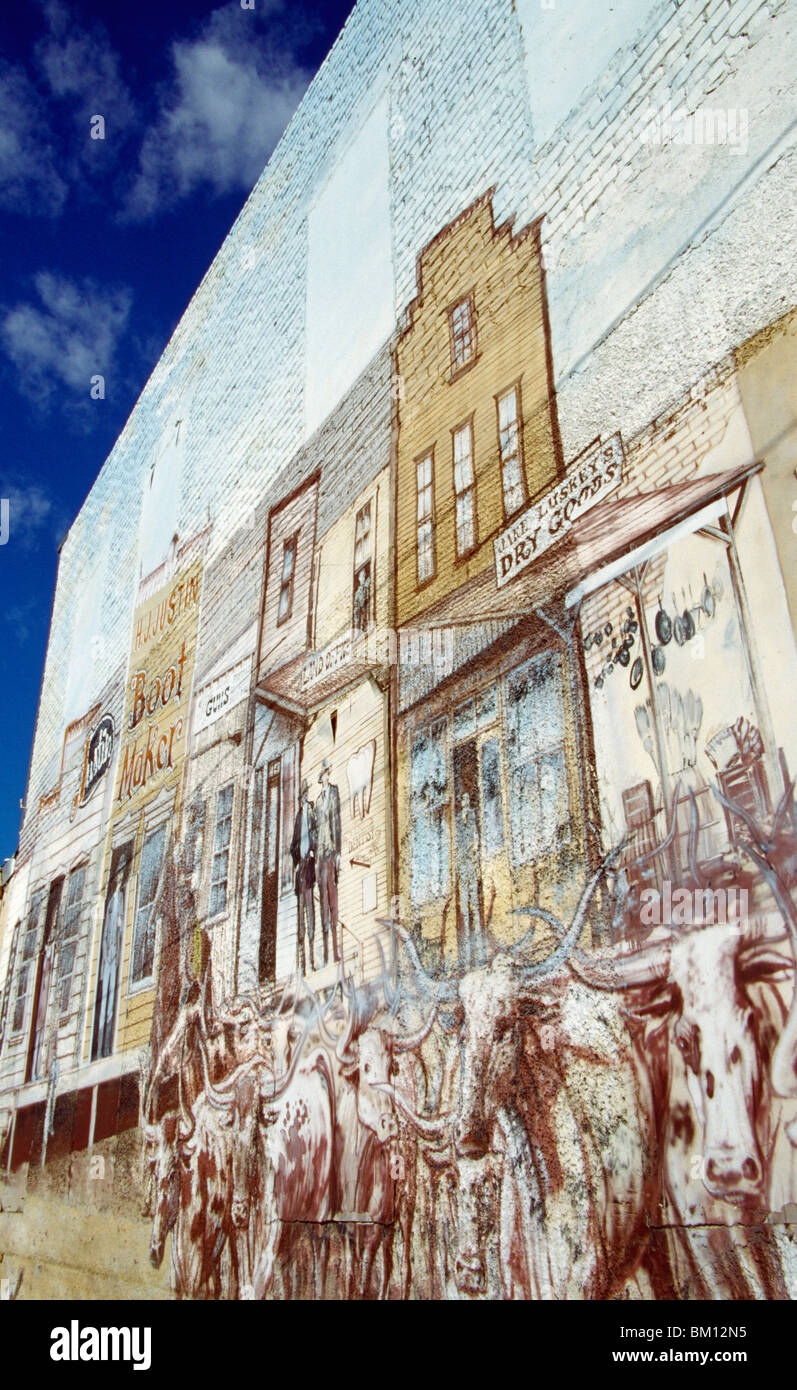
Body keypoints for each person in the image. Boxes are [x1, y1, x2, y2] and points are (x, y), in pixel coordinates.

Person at [94, 858, 127, 1059]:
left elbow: (120, 927)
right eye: (119, 876)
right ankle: (99, 1048)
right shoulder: (107, 902)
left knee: (109, 1005)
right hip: (107, 959)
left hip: (114, 959)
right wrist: (106, 953)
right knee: (103, 1002)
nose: (121, 879)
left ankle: (106, 1046)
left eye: (123, 876)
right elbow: (104, 930)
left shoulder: (121, 899)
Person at [315, 759, 341, 964]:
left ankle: (335, 950)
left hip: (331, 851)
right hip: (321, 855)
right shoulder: (317, 801)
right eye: (325, 773)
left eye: (328, 772)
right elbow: (315, 831)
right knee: (323, 900)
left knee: (333, 900)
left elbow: (337, 822)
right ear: (321, 777)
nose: (327, 775)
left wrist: (338, 850)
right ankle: (325, 955)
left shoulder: (334, 792)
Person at [290, 778, 317, 973]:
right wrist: (296, 863)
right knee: (300, 917)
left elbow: (316, 835)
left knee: (310, 913)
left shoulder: (312, 812)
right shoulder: (299, 816)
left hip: (310, 869)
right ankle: (302, 964)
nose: (304, 798)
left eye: (306, 794)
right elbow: (293, 845)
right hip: (301, 872)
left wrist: (312, 854)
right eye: (302, 795)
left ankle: (312, 958)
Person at [455, 792, 482, 971]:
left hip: (470, 864)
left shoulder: (472, 816)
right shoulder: (458, 819)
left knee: (475, 906)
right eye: (463, 799)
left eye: (467, 799)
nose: (465, 802)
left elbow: (475, 838)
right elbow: (457, 843)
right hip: (463, 866)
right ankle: (466, 956)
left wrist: (475, 858)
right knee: (464, 908)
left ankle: (480, 952)